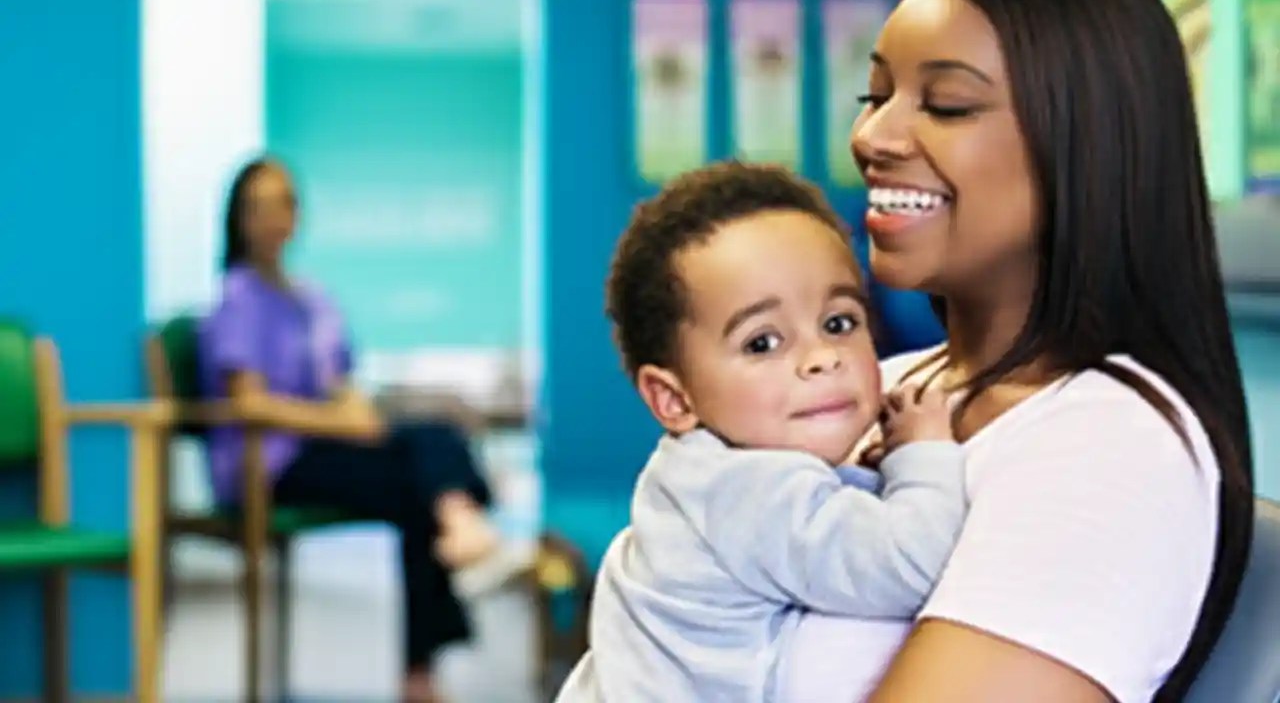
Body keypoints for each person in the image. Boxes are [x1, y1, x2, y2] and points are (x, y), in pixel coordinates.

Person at [778, 0, 1255, 701]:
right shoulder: (884, 386)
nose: (872, 138)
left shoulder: (1107, 445)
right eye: (875, 97)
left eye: (946, 105)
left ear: (1088, 141)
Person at [556, 162, 969, 701]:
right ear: (673, 399)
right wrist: (924, 455)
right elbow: (907, 563)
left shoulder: (700, 475)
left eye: (839, 323)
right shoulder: (748, 488)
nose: (821, 358)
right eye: (761, 343)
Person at [199, 156, 499, 703]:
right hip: (271, 463)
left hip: (323, 446)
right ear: (238, 219)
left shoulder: (312, 298)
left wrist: (356, 412)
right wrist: (340, 422)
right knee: (418, 482)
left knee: (426, 446)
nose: (275, 217)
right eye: (260, 206)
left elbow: (339, 379)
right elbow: (249, 402)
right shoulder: (237, 298)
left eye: (285, 203)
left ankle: (452, 518)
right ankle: (457, 521)